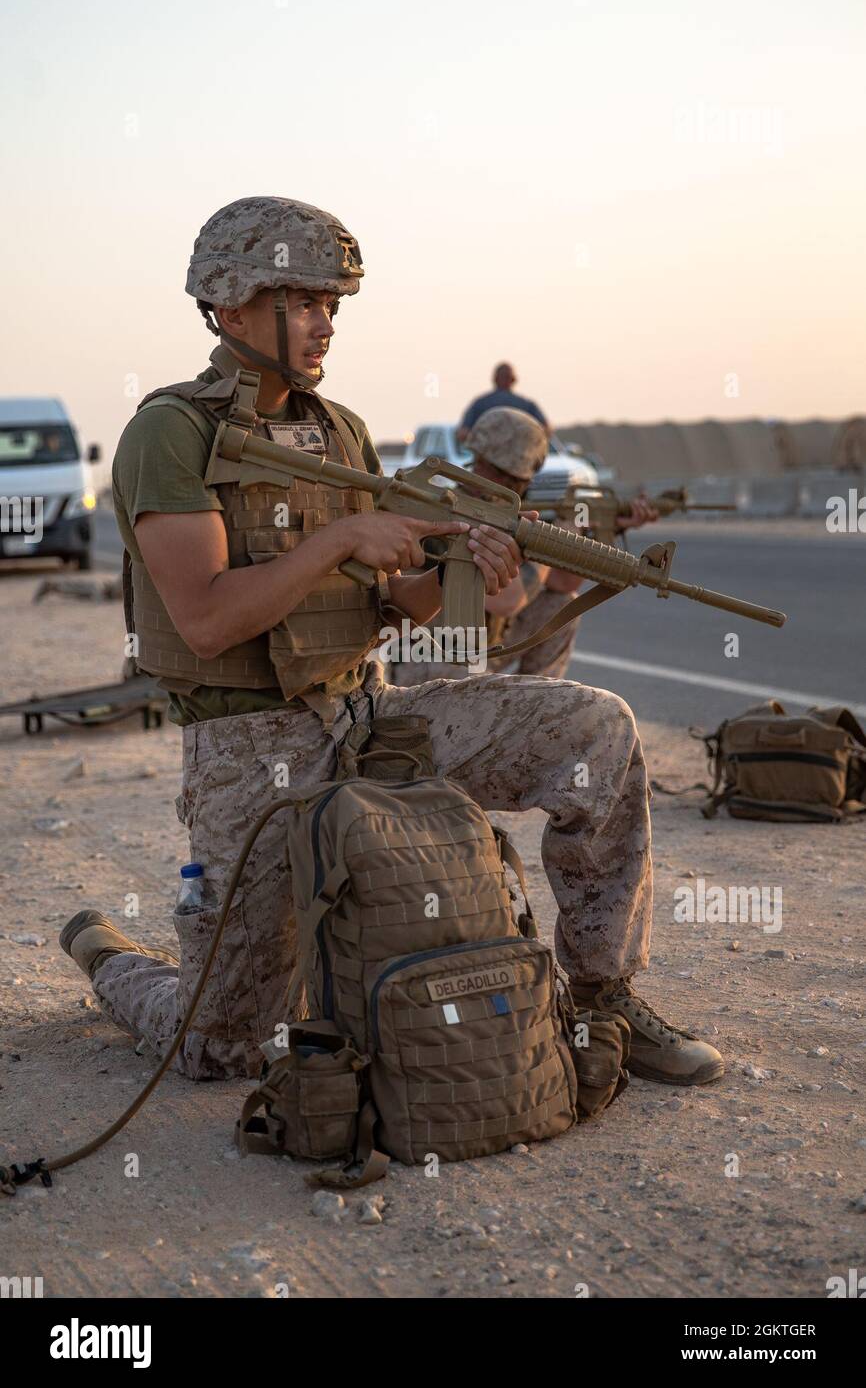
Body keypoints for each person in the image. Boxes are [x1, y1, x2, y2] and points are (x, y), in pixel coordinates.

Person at [59, 197, 723, 1088]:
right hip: (251, 747)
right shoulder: (171, 434)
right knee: (216, 1047)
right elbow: (209, 618)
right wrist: (340, 537)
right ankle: (110, 958)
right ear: (232, 303)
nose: (325, 323)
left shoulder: (343, 432)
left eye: (332, 304)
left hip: (373, 715)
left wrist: (468, 575)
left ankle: (603, 997)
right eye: (303, 302)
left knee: (595, 729)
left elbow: (390, 600)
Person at [389, 406, 657, 685]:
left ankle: (537, 705)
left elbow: (563, 583)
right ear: (477, 460)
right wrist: (541, 541)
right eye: (496, 471)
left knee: (560, 606)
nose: (502, 483)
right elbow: (508, 601)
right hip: (429, 659)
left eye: (514, 479)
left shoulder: (506, 515)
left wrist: (603, 530)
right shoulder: (445, 513)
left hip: (483, 650)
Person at [456, 362, 549, 443]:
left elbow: (462, 434)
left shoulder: (480, 403)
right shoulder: (527, 405)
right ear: (513, 380)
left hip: (486, 460)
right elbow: (547, 430)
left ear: (494, 379)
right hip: (520, 460)